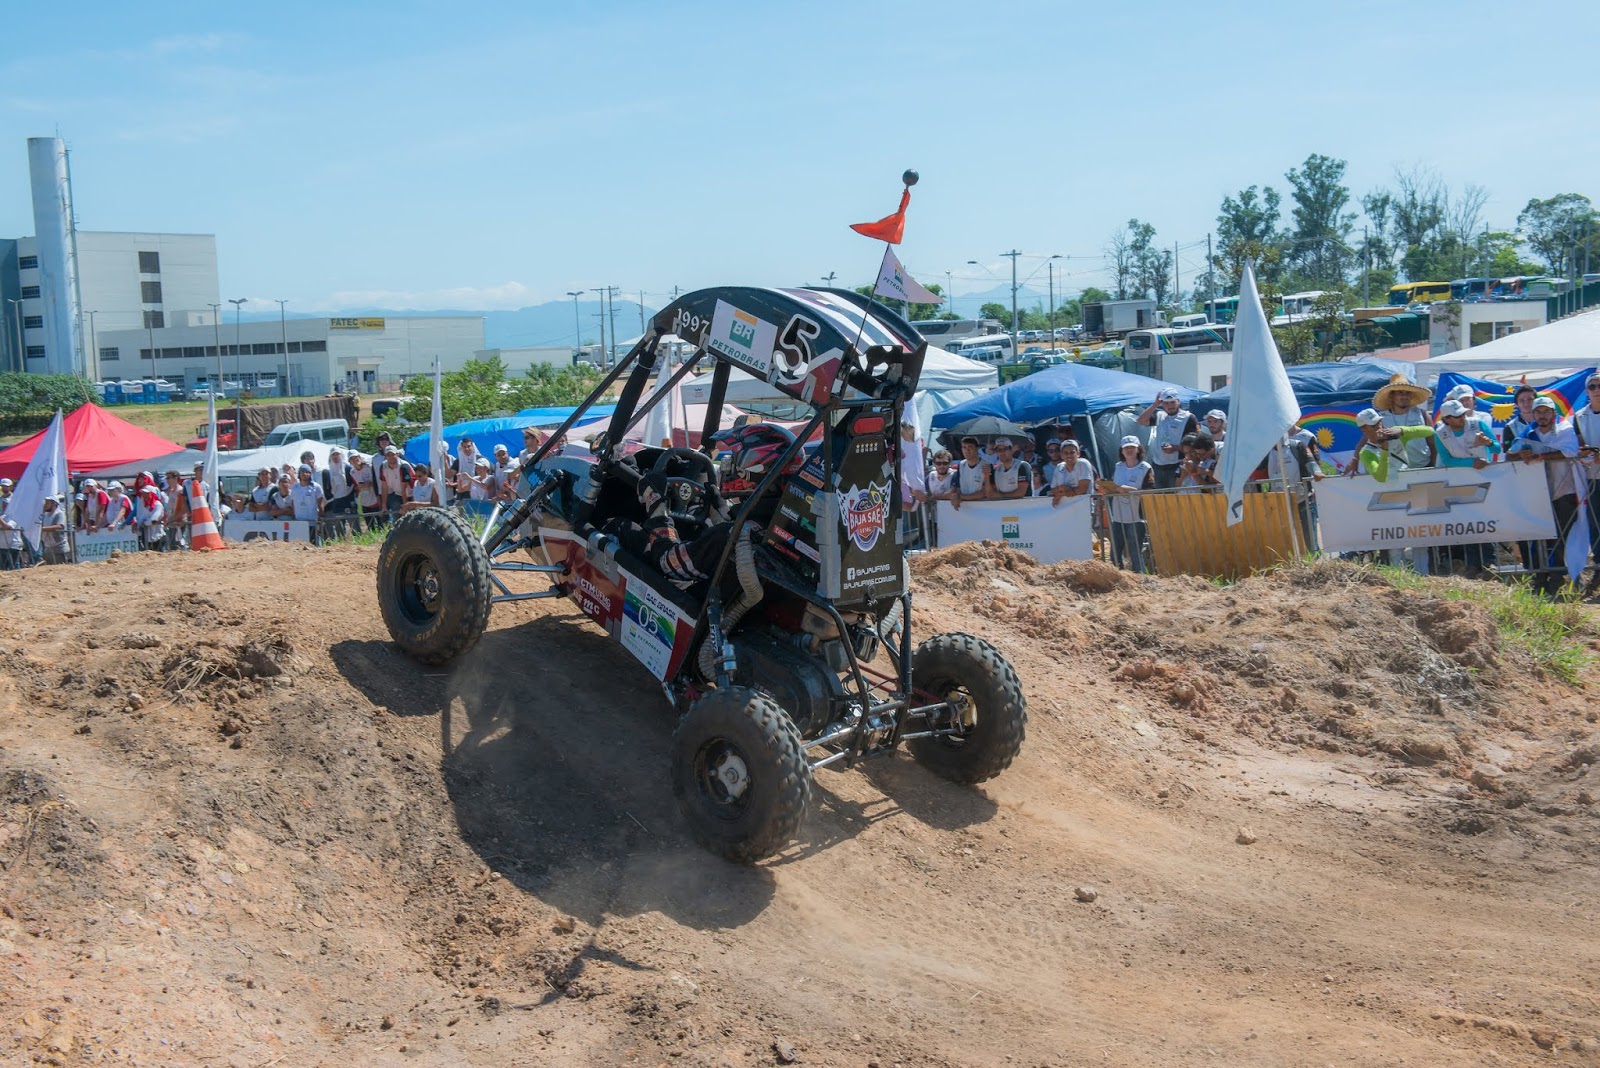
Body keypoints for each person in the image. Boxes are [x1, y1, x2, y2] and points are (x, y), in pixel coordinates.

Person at [1511, 395, 1582, 596]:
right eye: (1538, 412)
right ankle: (1540, 577)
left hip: (1564, 490)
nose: (1542, 415)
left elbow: (1570, 452)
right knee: (1539, 535)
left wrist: (1540, 456)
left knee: (1562, 535)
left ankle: (1558, 577)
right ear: (1533, 414)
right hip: (1538, 491)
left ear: (1553, 413)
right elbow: (1509, 453)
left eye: (1546, 411)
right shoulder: (1528, 433)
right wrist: (1520, 454)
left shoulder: (1565, 429)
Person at [1435, 399, 1503, 577]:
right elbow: (1447, 459)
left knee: (1486, 518)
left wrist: (1488, 443)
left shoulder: (1478, 424)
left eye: (1463, 413)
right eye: (1457, 416)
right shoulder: (1440, 434)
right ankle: (1472, 563)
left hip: (1484, 477)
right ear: (1447, 419)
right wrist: (1471, 462)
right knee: (1467, 521)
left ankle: (1489, 561)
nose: (1462, 417)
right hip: (1461, 480)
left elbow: (1497, 448)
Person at [1103, 436, 1153, 572]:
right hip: (1118, 515)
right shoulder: (1118, 466)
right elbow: (1114, 485)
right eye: (1126, 448)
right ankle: (1117, 577)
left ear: (1138, 449)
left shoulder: (1145, 467)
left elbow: (1150, 491)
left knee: (1135, 551)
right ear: (1122, 450)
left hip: (1136, 516)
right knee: (1115, 552)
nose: (1129, 450)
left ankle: (1140, 578)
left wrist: (1130, 490)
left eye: (1132, 447)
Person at [1572, 375, 1600, 597]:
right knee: (1596, 527)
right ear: (1587, 391)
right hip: (1592, 478)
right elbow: (1578, 444)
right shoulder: (1579, 416)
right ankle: (1598, 569)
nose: (1597, 389)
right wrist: (1585, 452)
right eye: (1592, 386)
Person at [1137, 388, 1197, 489]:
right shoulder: (1160, 415)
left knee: (1174, 495)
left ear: (1178, 402)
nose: (1170, 406)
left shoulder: (1188, 417)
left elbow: (1195, 444)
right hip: (1158, 465)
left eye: (1172, 402)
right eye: (1166, 403)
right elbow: (1141, 421)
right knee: (1160, 496)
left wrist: (1175, 448)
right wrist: (1155, 404)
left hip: (1177, 464)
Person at [1374, 374, 1435, 471]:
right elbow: (1369, 441)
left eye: (1407, 393)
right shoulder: (1381, 419)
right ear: (1392, 396)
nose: (1404, 396)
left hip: (1423, 466)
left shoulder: (1422, 414)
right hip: (1396, 470)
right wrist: (1355, 458)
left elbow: (1432, 442)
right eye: (1400, 393)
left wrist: (1432, 465)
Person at [321, 448, 357, 532]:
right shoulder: (328, 471)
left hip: (348, 499)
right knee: (339, 527)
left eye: (337, 454)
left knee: (354, 526)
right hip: (336, 501)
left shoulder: (348, 468)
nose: (335, 456)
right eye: (333, 455)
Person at [1049, 439, 1094, 504]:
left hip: (1085, 505)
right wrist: (1063, 488)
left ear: (1078, 453)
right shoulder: (1059, 467)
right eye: (1066, 453)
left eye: (1072, 452)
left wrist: (1061, 494)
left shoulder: (1084, 463)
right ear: (1061, 455)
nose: (1069, 455)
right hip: (1065, 506)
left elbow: (1082, 490)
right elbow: (1053, 490)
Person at [951, 436, 989, 511]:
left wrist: (961, 497)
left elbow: (984, 493)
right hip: (964, 508)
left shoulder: (986, 465)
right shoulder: (961, 465)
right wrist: (956, 496)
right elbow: (958, 488)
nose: (967, 450)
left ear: (977, 449)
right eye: (964, 447)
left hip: (981, 508)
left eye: (970, 447)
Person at [290, 464, 327, 540]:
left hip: (312, 522)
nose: (304, 474)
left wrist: (320, 517)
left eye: (307, 472)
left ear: (310, 474)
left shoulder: (316, 487)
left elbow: (320, 504)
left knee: (313, 543)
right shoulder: (294, 487)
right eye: (302, 471)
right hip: (299, 521)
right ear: (299, 473)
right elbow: (293, 503)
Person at [376, 446, 413, 517]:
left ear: (397, 455)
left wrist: (405, 506)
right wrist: (384, 506)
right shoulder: (383, 467)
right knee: (397, 516)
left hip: (410, 494)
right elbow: (384, 486)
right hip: (397, 494)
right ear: (385, 456)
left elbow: (404, 488)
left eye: (393, 454)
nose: (391, 457)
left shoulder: (403, 466)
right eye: (388, 455)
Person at [1503, 385, 1539, 450]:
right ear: (1516, 404)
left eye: (1530, 399)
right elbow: (1508, 452)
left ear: (1536, 401)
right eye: (1522, 400)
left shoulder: (1546, 421)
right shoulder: (1511, 426)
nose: (1526, 403)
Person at [37, 496, 69, 565]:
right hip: (48, 547)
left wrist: (43, 529)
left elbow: (60, 526)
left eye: (47, 503)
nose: (45, 505)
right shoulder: (45, 515)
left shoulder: (59, 514)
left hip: (58, 547)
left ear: (54, 504)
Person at [135, 484, 167, 551]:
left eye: (146, 494)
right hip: (149, 538)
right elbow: (142, 518)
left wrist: (144, 523)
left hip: (158, 537)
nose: (144, 496)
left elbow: (153, 520)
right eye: (143, 494)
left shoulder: (158, 505)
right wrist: (137, 524)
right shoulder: (146, 506)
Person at [0, 479, 21, 570]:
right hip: (2, 543)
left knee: (13, 566)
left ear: (11, 487)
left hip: (13, 543)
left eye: (6, 486)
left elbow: (8, 527)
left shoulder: (15, 500)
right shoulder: (0, 499)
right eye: (3, 486)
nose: (4, 488)